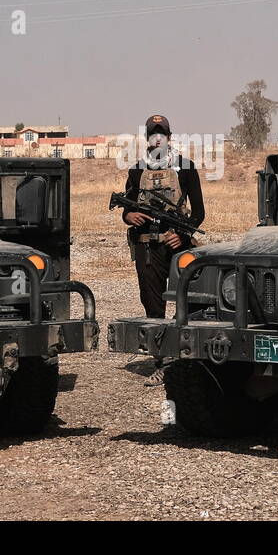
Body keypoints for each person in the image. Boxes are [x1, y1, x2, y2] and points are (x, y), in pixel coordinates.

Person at [119, 115, 206, 385]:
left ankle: (190, 362)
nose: (158, 137)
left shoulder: (186, 168)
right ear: (147, 138)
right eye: (153, 133)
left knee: (191, 302)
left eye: (162, 133)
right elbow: (127, 208)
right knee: (153, 305)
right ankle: (163, 363)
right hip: (148, 248)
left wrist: (181, 235)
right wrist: (128, 216)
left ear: (170, 137)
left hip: (177, 248)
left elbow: (199, 213)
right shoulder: (136, 171)